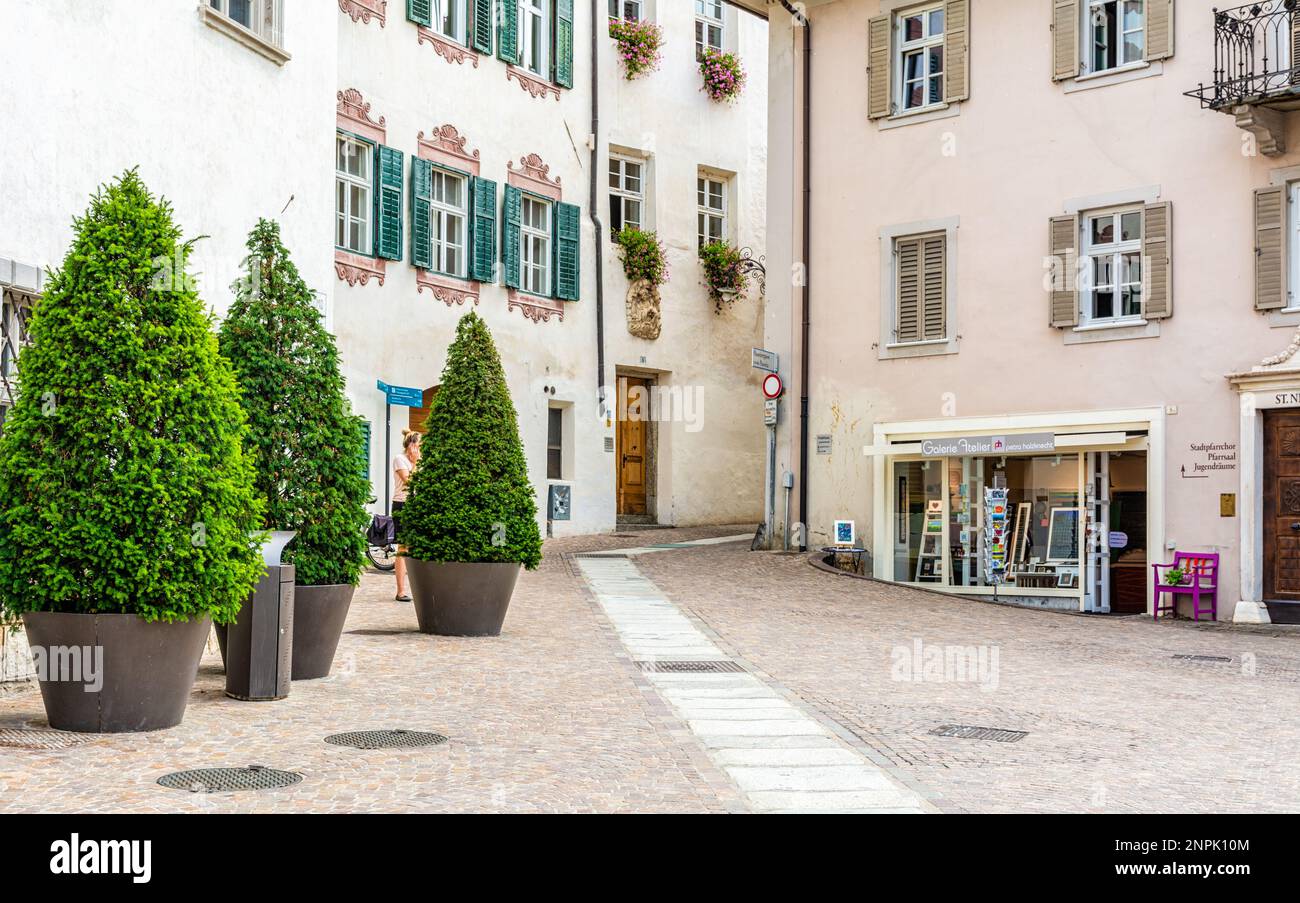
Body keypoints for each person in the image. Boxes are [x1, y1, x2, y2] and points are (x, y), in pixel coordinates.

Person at [392, 429, 421, 602]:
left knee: (415, 547)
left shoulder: (417, 460)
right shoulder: (400, 459)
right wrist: (415, 463)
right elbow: (409, 482)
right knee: (403, 547)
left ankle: (417, 588)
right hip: (402, 505)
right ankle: (400, 591)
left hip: (416, 505)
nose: (419, 449)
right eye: (418, 445)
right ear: (411, 445)